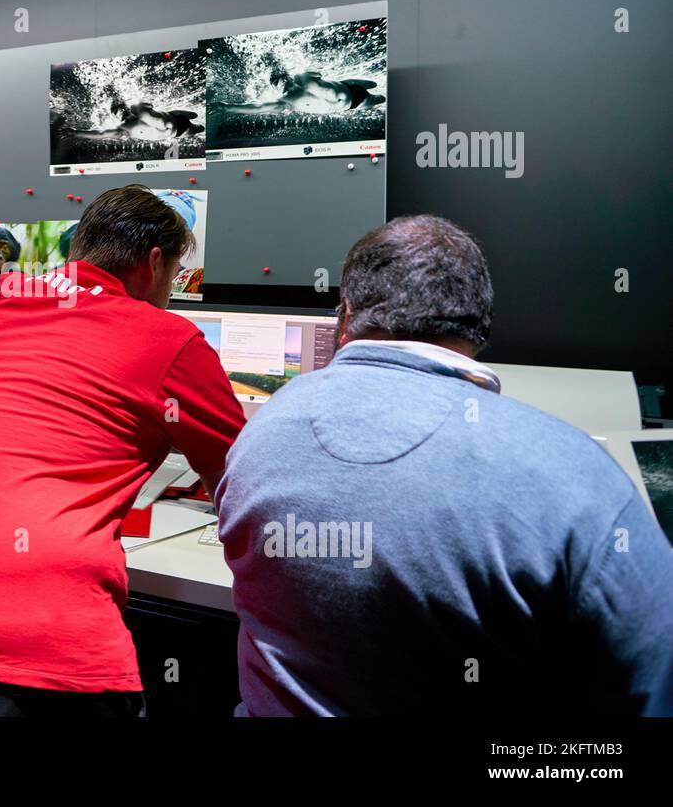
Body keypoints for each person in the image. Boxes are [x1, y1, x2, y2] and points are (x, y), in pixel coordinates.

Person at [215, 215, 673, 716]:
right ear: (478, 324)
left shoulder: (259, 432)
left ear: (346, 316)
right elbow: (654, 667)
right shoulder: (574, 474)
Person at [0, 184, 246, 716]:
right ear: (154, 263)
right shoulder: (169, 338)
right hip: (36, 643)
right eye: (175, 275)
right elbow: (246, 481)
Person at [216, 70, 384, 117]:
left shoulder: (299, 80)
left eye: (283, 78)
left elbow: (258, 107)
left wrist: (228, 107)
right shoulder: (284, 101)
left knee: (376, 87)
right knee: (382, 97)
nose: (283, 80)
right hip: (350, 100)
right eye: (280, 79)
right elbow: (258, 107)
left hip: (348, 90)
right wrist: (228, 107)